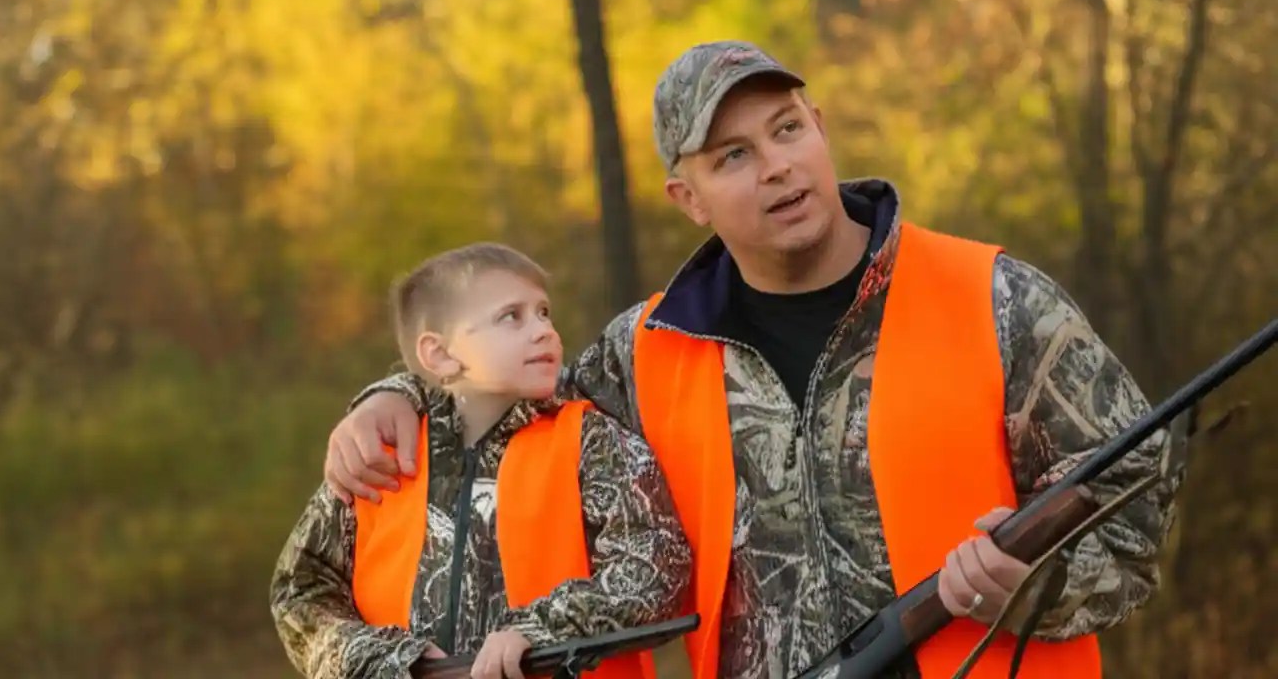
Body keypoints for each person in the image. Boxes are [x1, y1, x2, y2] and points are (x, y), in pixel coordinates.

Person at [320, 42, 1185, 679]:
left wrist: (1034, 585)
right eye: (734, 155)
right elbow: (505, 413)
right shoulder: (643, 351)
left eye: (786, 129)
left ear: (821, 127)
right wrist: (394, 394)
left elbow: (1140, 501)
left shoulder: (996, 299)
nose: (778, 167)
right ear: (687, 198)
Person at [270, 242, 691, 679]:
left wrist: (539, 631)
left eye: (544, 312)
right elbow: (301, 588)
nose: (544, 331)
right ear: (440, 354)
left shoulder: (591, 441)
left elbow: (657, 563)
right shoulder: (378, 457)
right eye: (512, 316)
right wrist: (389, 659)